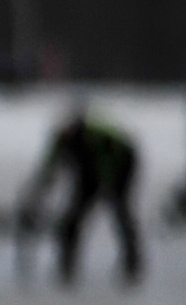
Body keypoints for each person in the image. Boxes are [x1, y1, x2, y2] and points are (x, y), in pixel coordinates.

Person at [22, 101, 143, 285]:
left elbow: (108, 161)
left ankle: (132, 264)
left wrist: (107, 186)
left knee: (121, 213)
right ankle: (66, 267)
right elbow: (49, 170)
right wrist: (37, 195)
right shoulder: (61, 141)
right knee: (73, 218)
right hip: (92, 172)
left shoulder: (93, 138)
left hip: (122, 163)